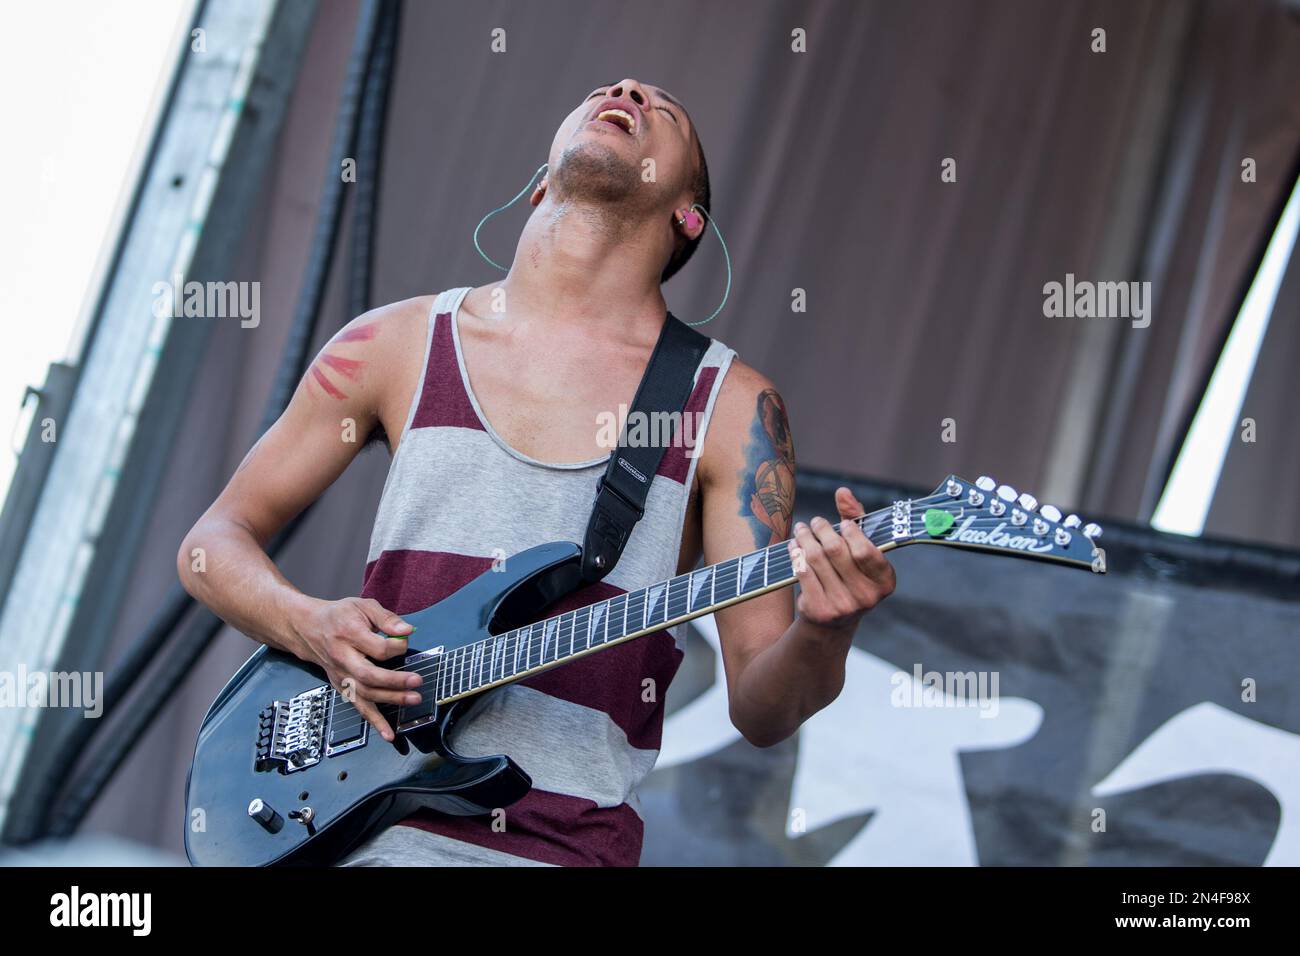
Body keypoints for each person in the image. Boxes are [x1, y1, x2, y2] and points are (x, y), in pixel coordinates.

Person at [178, 77, 896, 866]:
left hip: (560, 849)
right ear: (539, 184)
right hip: (353, 831)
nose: (629, 90)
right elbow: (213, 542)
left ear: (689, 215)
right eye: (612, 89)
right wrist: (308, 624)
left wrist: (828, 631)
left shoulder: (732, 408)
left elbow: (763, 706)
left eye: (669, 111)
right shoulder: (395, 342)